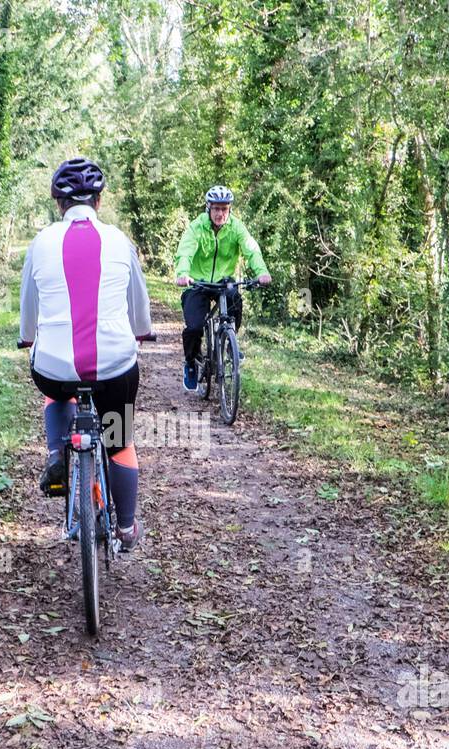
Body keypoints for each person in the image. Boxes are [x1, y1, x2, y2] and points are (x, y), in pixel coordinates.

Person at [19, 157, 152, 551]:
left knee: (55, 387)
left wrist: (28, 338)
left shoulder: (40, 242)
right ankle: (126, 528)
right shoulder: (119, 241)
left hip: (54, 366)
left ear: (58, 202)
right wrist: (141, 332)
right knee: (119, 439)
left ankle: (58, 449)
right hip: (115, 367)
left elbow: (29, 311)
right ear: (99, 200)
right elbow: (139, 309)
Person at [173, 185, 271, 391]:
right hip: (197, 282)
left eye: (224, 209)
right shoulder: (197, 227)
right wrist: (183, 274)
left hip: (223, 282)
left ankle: (229, 342)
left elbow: (251, 249)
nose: (220, 213)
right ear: (208, 208)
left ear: (230, 210)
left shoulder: (236, 227)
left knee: (235, 297)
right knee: (194, 327)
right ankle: (191, 362)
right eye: (216, 209)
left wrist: (261, 271)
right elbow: (185, 252)